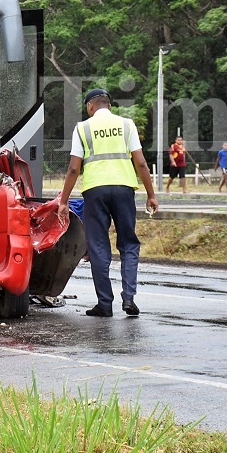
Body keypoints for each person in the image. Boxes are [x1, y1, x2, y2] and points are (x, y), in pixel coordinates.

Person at [58, 89, 159, 317]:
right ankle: (129, 298)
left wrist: (63, 200)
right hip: (124, 189)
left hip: (95, 191)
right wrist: (151, 194)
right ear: (109, 106)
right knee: (129, 244)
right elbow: (141, 163)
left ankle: (105, 304)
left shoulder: (82, 128)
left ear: (90, 107)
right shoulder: (126, 125)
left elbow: (74, 167)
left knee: (98, 246)